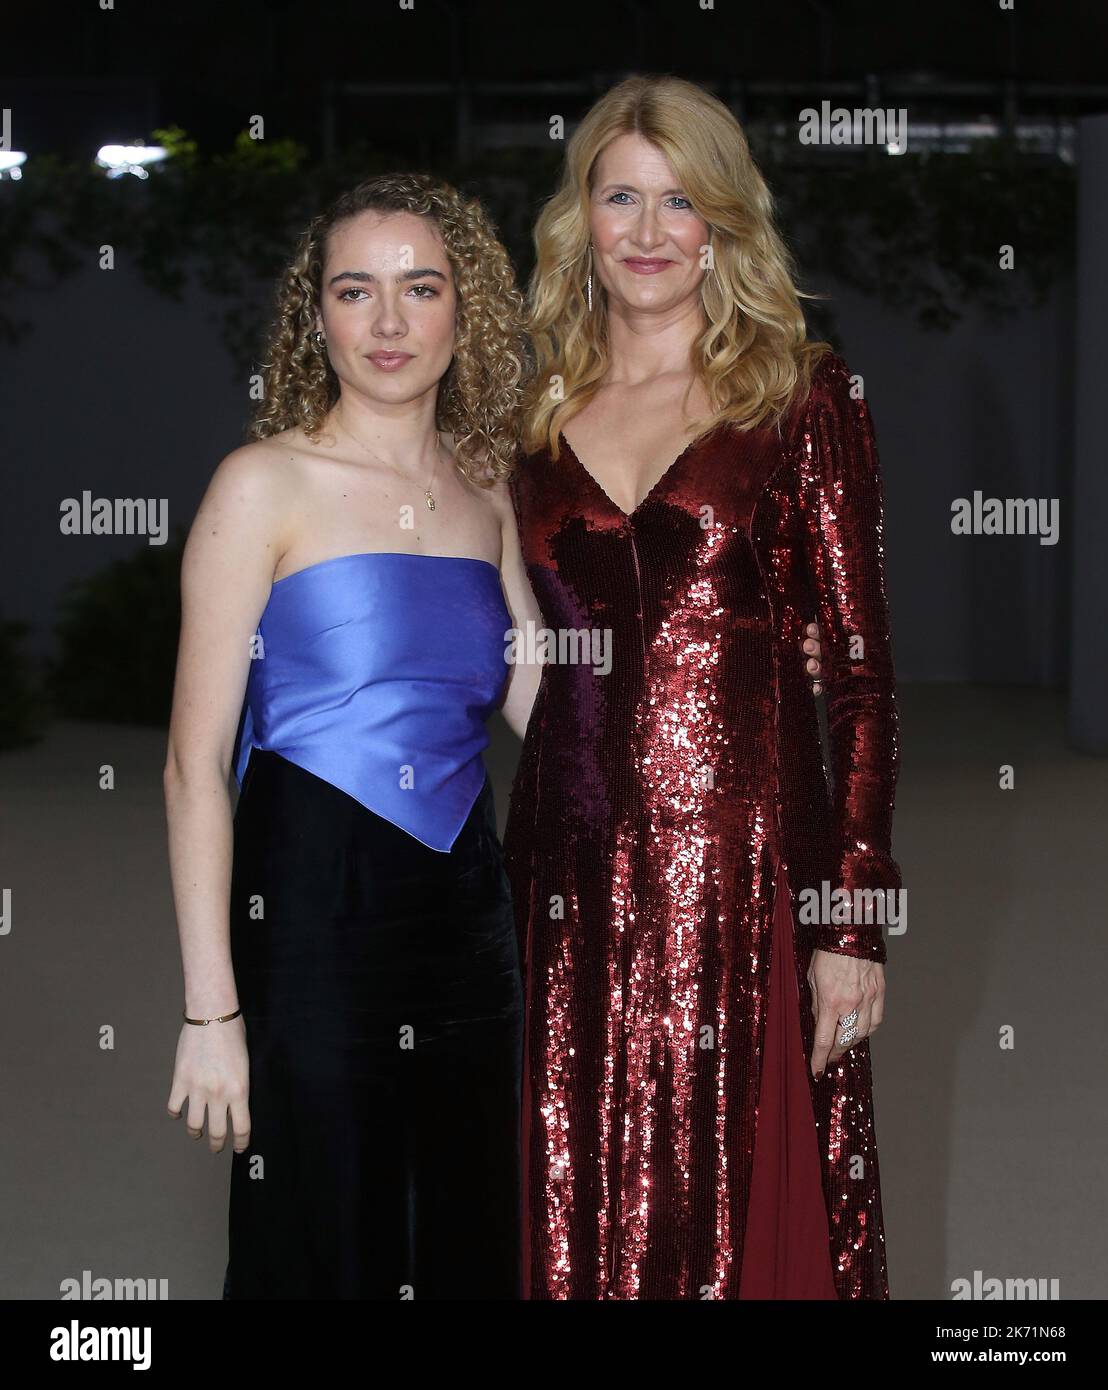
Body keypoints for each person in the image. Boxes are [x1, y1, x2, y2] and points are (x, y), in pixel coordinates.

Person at [502, 75, 901, 1299]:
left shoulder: (801, 396)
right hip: (563, 874)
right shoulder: (530, 414)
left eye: (679, 200)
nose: (647, 230)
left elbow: (863, 682)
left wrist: (850, 924)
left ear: (723, 222)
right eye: (620, 197)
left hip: (746, 878)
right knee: (570, 1201)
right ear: (581, 218)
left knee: (735, 1219)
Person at [163, 173, 539, 1299]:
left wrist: (746, 663)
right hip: (313, 908)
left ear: (464, 309)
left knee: (469, 1219)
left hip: (468, 916)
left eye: (420, 287)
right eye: (354, 289)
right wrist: (210, 1010)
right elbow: (192, 767)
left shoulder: (486, 491)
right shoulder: (262, 484)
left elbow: (556, 708)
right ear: (314, 314)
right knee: (323, 1225)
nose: (387, 321)